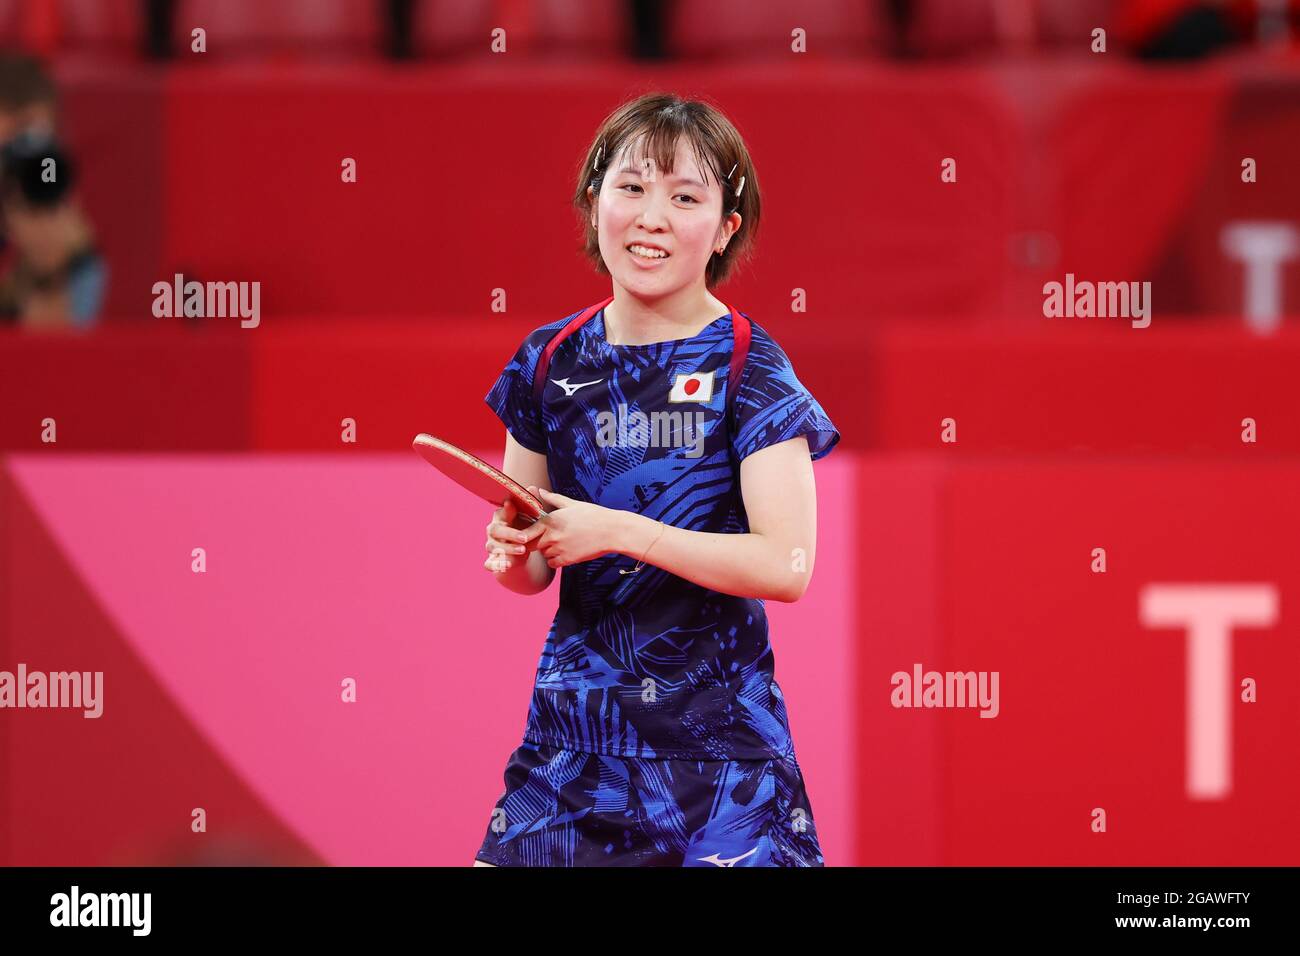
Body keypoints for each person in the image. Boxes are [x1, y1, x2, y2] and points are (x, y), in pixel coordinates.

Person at [473, 93, 840, 867]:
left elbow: (787, 566)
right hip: (572, 749)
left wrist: (617, 532)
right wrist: (512, 551)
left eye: (685, 197)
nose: (651, 217)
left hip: (721, 767)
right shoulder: (548, 360)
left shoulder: (750, 368)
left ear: (724, 230)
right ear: (593, 200)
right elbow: (532, 567)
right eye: (632, 187)